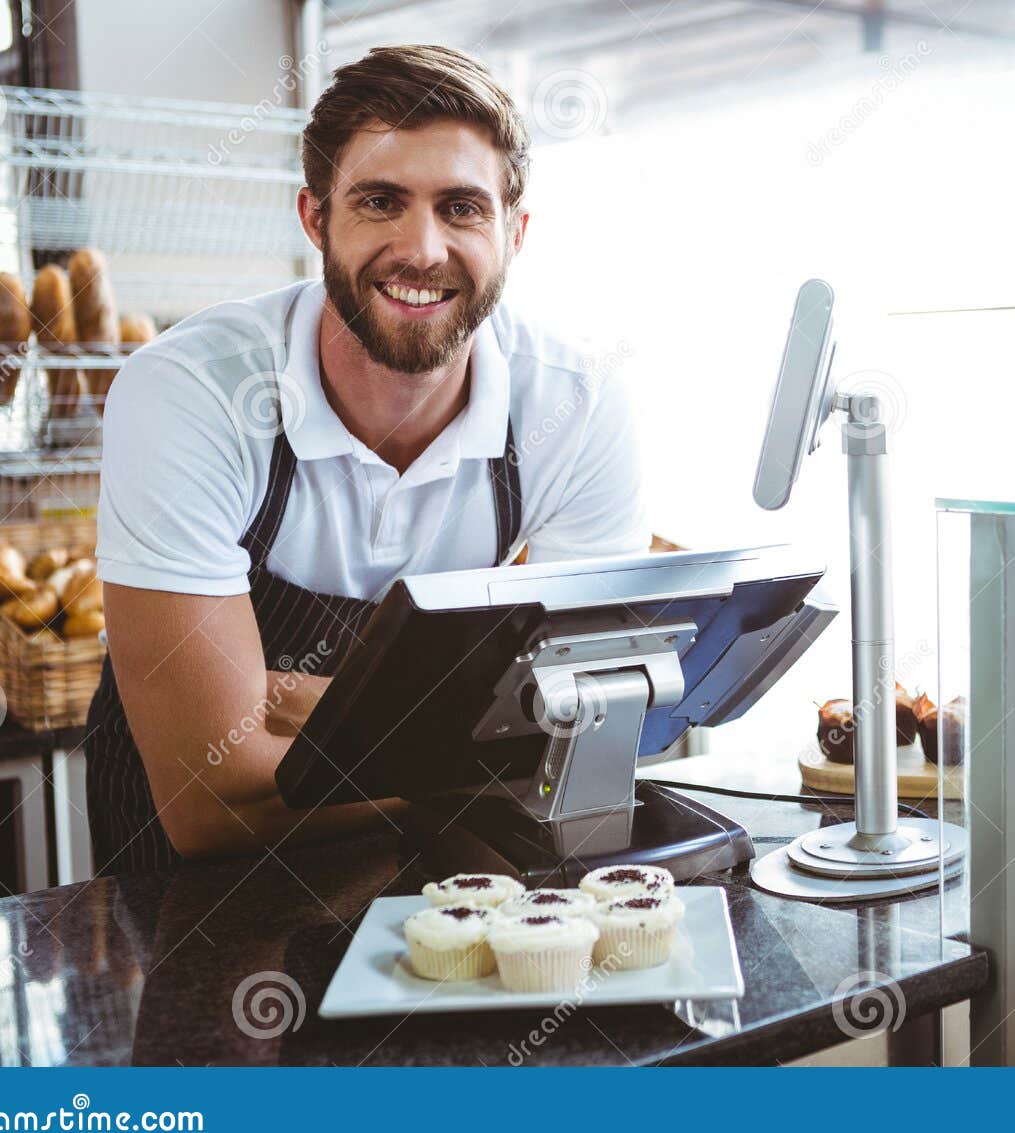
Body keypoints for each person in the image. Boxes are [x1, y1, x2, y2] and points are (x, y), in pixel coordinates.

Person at [87, 44, 646, 874]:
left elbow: (591, 741)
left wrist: (281, 702)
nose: (421, 249)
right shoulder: (189, 392)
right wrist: (483, 752)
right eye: (381, 202)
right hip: (187, 901)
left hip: (444, 890)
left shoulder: (576, 407)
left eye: (462, 208)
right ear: (315, 219)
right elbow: (214, 797)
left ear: (513, 233)